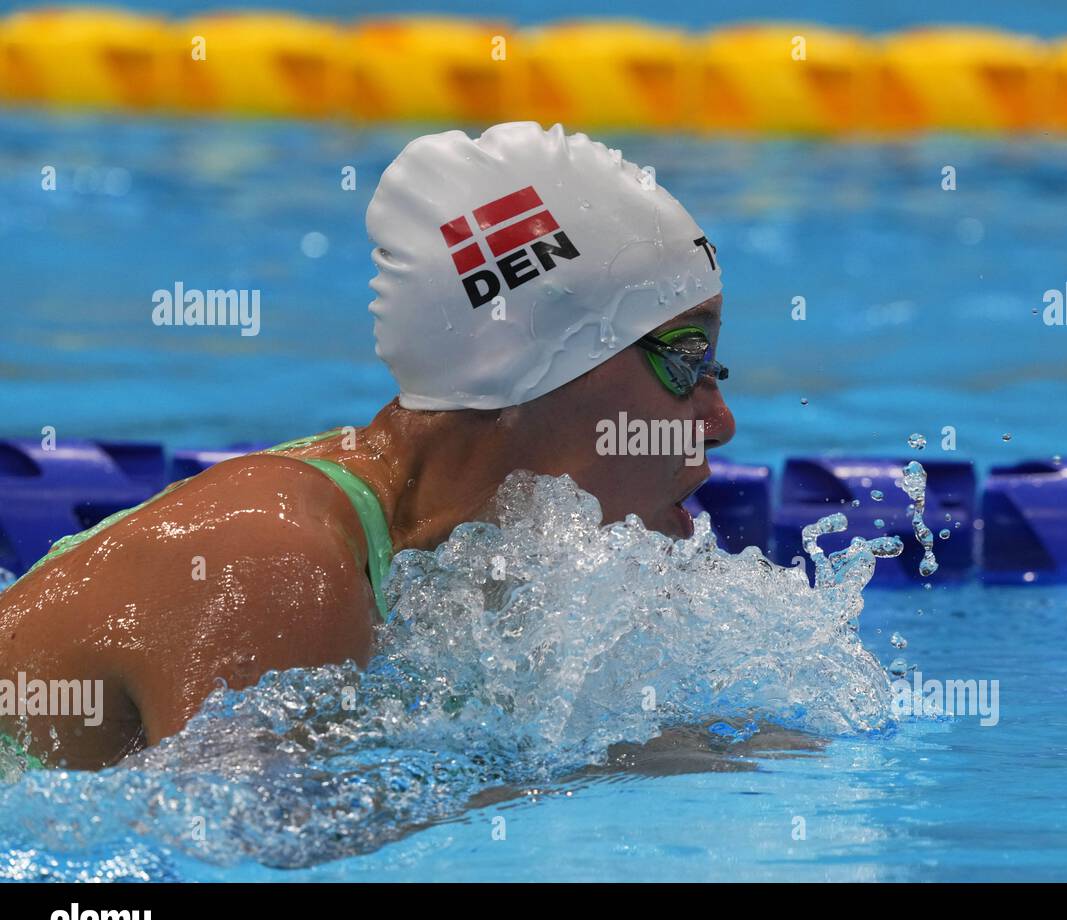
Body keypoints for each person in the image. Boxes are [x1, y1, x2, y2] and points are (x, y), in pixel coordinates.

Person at [0, 122, 733, 770]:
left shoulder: (432, 565)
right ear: (536, 365)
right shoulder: (275, 558)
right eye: (688, 358)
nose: (720, 421)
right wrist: (619, 773)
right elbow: (253, 856)